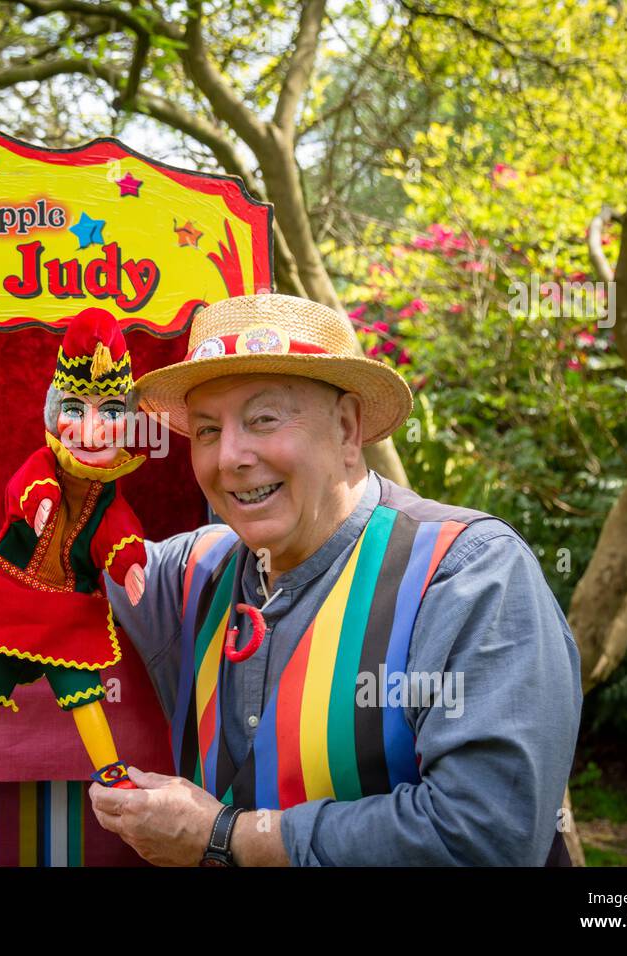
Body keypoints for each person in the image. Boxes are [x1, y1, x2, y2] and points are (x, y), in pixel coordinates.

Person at [91, 293, 583, 866]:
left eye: (263, 419)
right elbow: (57, 562)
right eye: (206, 430)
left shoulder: (468, 573)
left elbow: (486, 835)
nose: (228, 457)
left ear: (348, 429)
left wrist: (226, 837)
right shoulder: (190, 574)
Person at [0, 308, 147, 795]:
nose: (91, 431)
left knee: (82, 690)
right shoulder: (43, 463)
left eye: (110, 413)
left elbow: (117, 530)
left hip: (69, 607)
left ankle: (110, 768)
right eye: (76, 409)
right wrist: (42, 505)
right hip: (14, 596)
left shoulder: (107, 490)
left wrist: (129, 562)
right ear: (54, 412)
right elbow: (27, 486)